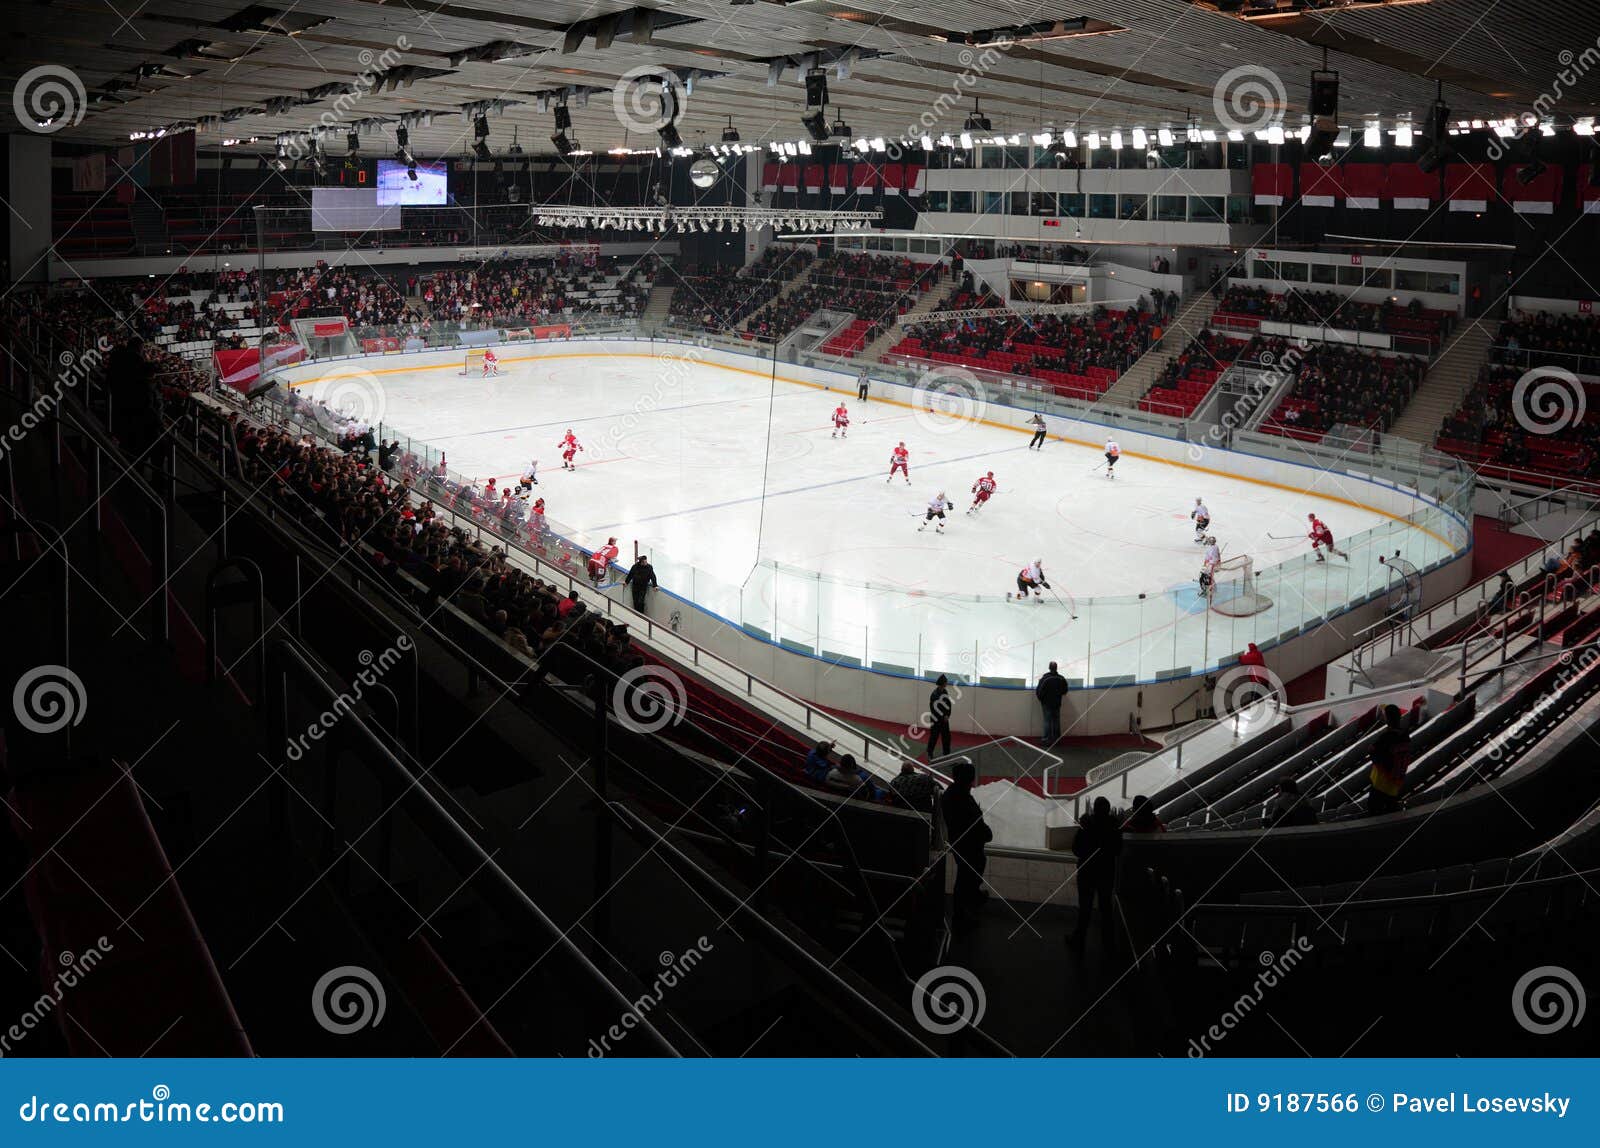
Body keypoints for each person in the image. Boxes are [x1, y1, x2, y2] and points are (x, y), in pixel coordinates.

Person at [939, 759, 991, 930]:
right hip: (968, 845)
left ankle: (972, 897)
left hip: (960, 842)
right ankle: (961, 914)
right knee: (966, 877)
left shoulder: (951, 794)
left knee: (970, 872)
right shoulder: (963, 799)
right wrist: (986, 833)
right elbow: (974, 823)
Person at [1069, 796, 1122, 953]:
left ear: (1094, 809)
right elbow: (1117, 850)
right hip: (1106, 873)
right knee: (1106, 908)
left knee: (1085, 908)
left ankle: (1079, 939)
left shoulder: (1086, 826)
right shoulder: (1114, 828)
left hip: (1087, 872)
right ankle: (1108, 944)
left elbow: (1076, 849)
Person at [1368, 703, 1411, 816]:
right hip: (1396, 782)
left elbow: (1374, 753)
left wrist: (1372, 750)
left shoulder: (1386, 737)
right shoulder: (1405, 735)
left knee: (1374, 809)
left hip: (1381, 782)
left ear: (1388, 719)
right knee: (1390, 809)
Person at [1035, 661, 1068, 748]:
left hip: (1047, 704)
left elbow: (1039, 692)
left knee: (1047, 721)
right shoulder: (1061, 678)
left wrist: (1042, 700)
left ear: (1049, 668)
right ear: (1056, 668)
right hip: (1057, 703)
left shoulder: (1045, 678)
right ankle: (1057, 740)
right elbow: (1065, 690)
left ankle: (1046, 740)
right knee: (1056, 721)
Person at [925, 674, 953, 760]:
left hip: (944, 719)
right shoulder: (934, 695)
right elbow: (933, 709)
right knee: (934, 737)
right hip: (936, 720)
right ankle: (929, 753)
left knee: (946, 737)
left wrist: (947, 715)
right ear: (942, 683)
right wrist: (943, 716)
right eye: (946, 682)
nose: (947, 683)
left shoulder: (945, 692)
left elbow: (949, 705)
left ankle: (946, 754)